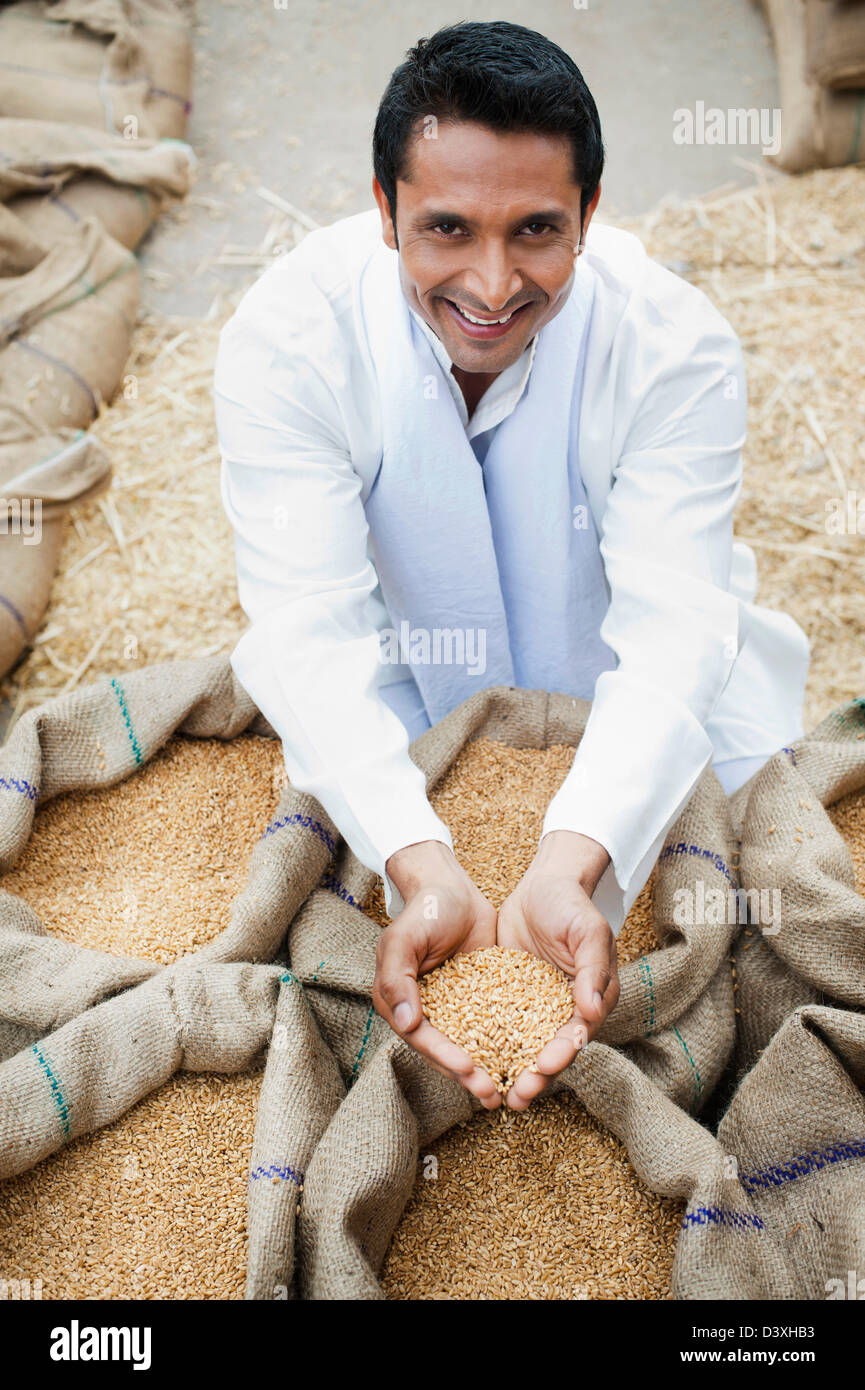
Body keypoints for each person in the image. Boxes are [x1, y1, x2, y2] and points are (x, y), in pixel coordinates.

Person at [215, 21, 809, 1112]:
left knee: (762, 948)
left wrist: (569, 858)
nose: (492, 284)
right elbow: (308, 627)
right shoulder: (288, 342)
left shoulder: (671, 344)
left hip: (649, 726)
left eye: (535, 230)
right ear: (384, 212)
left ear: (588, 214)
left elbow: (677, 629)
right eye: (446, 229)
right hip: (412, 716)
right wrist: (418, 859)